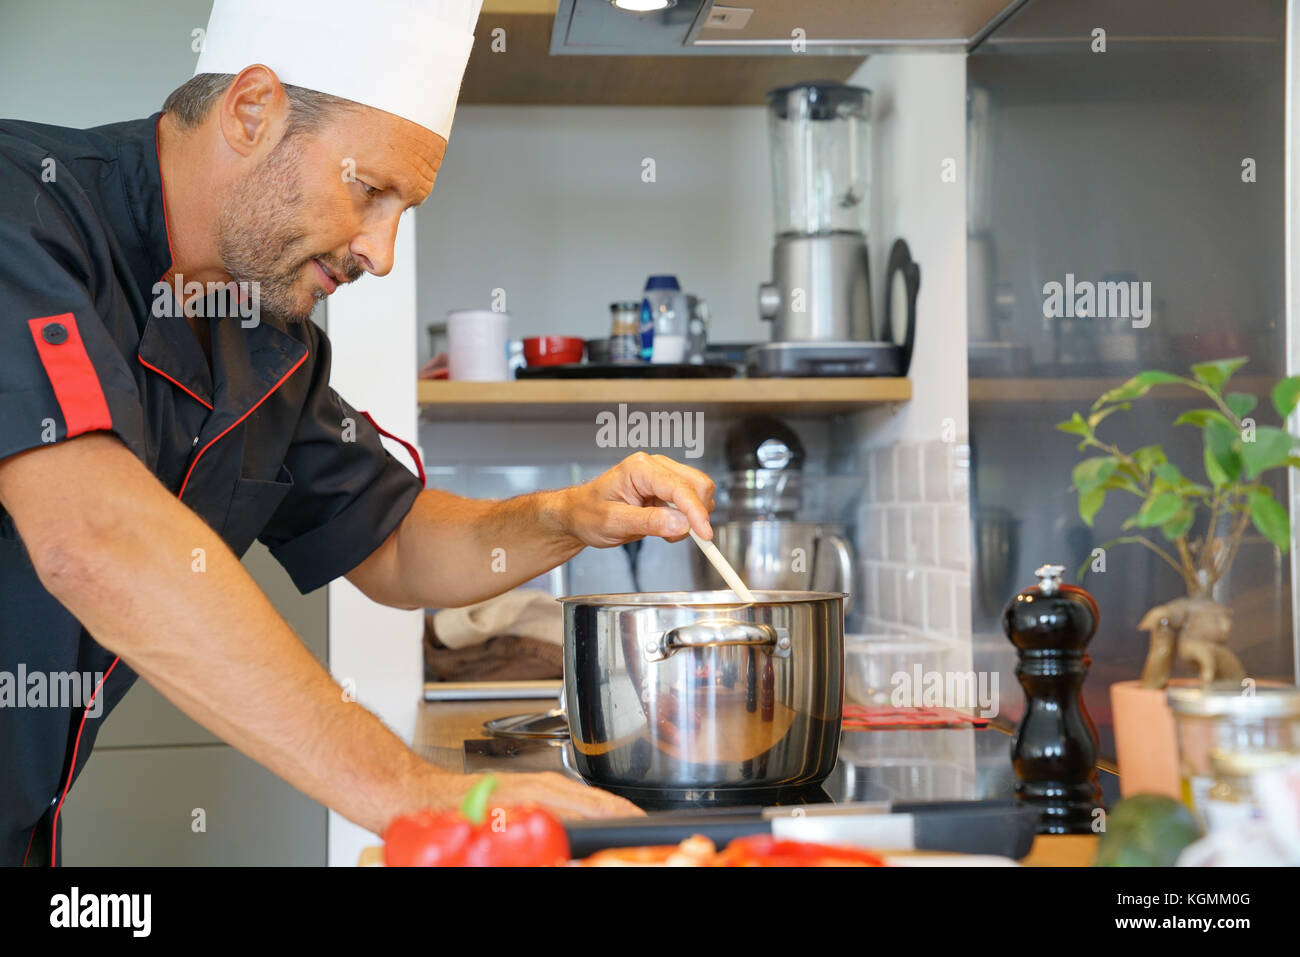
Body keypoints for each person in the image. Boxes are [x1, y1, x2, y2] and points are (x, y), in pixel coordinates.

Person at [0, 0, 715, 865]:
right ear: (252, 111)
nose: (380, 251)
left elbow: (396, 543)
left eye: (403, 208)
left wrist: (569, 515)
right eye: (369, 189)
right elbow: (95, 535)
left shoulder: (269, 339)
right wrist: (415, 794)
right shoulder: (22, 212)